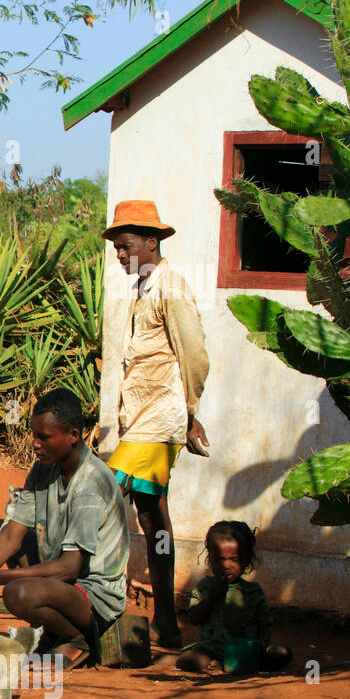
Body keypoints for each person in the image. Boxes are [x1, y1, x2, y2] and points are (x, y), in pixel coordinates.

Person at [0, 387, 130, 668]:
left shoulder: (90, 484)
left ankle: (78, 637)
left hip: (94, 594)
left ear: (73, 436)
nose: (35, 444)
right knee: (18, 544)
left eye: (44, 437)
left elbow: (70, 568)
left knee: (17, 592)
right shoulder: (43, 469)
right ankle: (55, 630)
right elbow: (10, 537)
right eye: (34, 435)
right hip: (63, 582)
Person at [103, 200, 210, 650]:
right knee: (151, 514)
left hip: (160, 418)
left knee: (104, 495)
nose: (120, 255)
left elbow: (194, 353)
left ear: (152, 242)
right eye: (116, 248)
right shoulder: (143, 288)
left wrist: (188, 410)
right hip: (141, 418)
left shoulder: (170, 287)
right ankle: (167, 619)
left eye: (126, 246)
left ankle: (86, 603)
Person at [175, 521, 292, 673]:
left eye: (234, 559)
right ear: (210, 559)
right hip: (212, 648)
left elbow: (264, 623)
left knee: (283, 653)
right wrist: (211, 597)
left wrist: (261, 645)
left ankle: (240, 663)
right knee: (194, 661)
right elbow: (194, 618)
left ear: (247, 559)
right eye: (219, 559)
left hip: (247, 648)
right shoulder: (205, 587)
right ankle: (225, 663)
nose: (226, 565)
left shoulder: (253, 591)